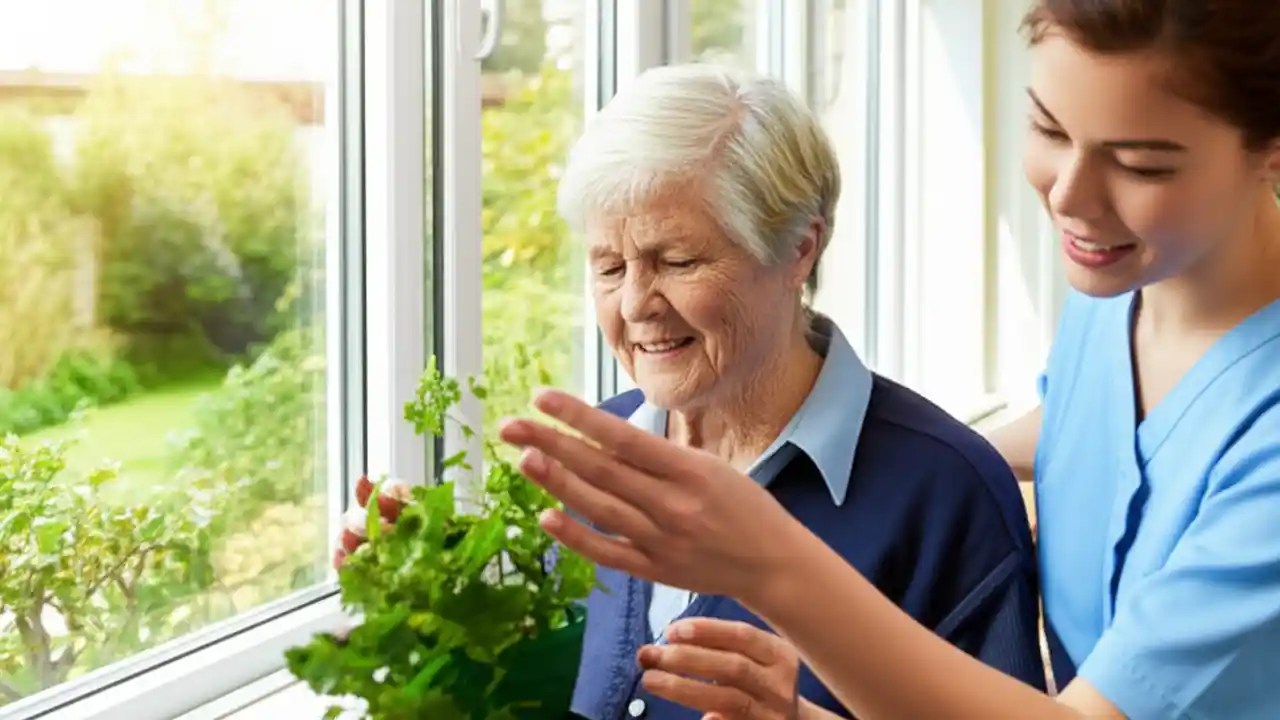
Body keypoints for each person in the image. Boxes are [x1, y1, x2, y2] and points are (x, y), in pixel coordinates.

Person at [498, 1, 1280, 719]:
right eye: (1048, 128)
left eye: (1142, 165)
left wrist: (775, 550)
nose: (1071, 197)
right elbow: (1110, 428)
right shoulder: (1127, 276)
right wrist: (877, 444)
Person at [341, 64, 1045, 719]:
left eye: (677, 260)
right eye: (609, 267)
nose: (638, 304)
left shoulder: (947, 493)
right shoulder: (589, 460)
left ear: (801, 247)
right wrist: (433, 607)